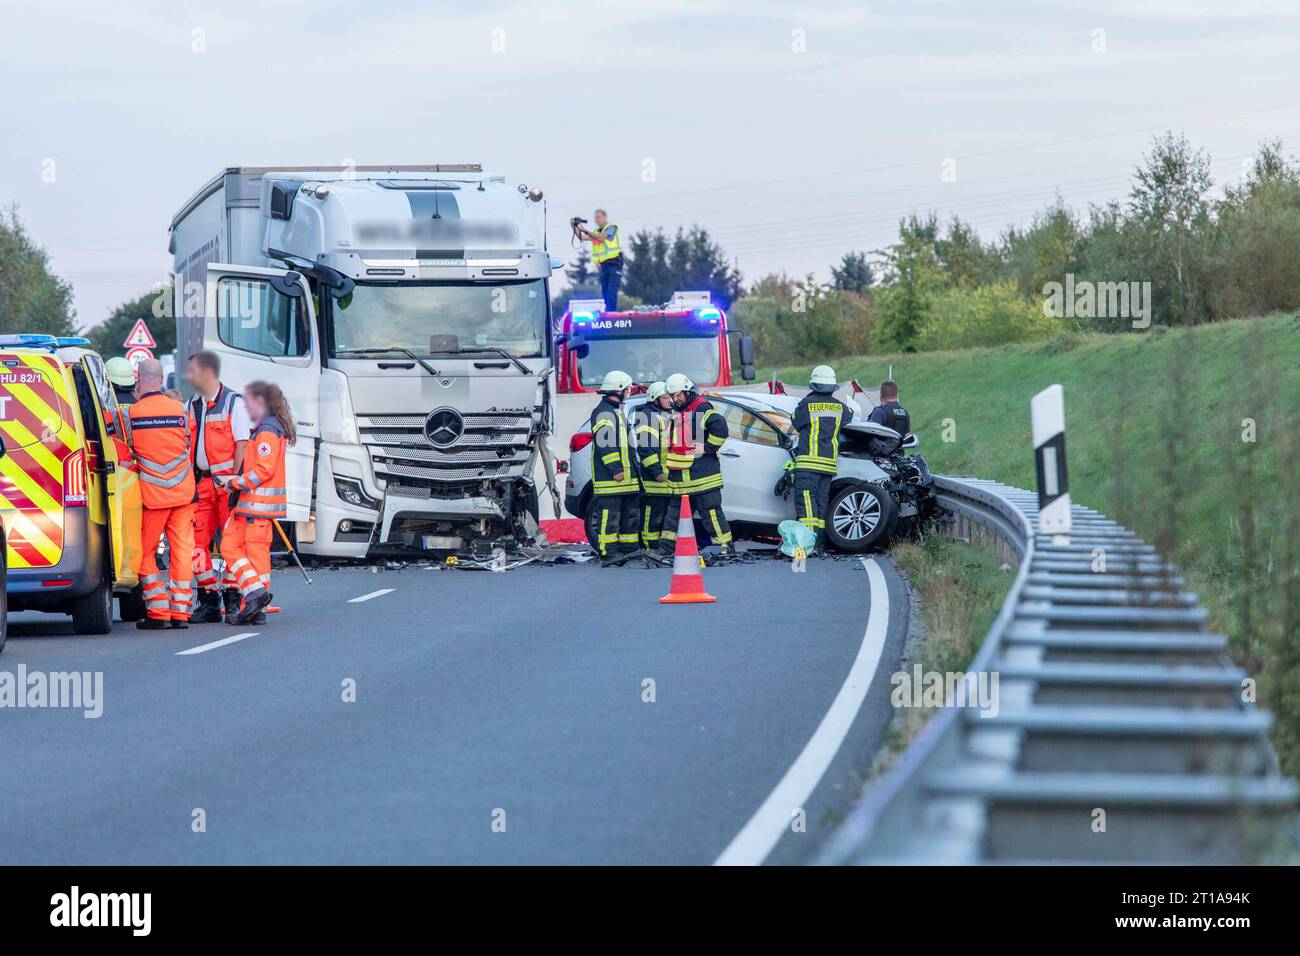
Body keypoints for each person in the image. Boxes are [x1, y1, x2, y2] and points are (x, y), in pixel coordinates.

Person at [216, 381, 293, 624]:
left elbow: (263, 470)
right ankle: (255, 605)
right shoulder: (268, 428)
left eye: (248, 402)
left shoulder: (267, 431)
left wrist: (235, 483)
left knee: (237, 549)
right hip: (251, 507)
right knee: (242, 551)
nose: (245, 407)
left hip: (255, 506)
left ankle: (255, 596)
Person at [126, 359, 196, 630]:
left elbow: (128, 452)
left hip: (153, 497)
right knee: (182, 553)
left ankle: (158, 613)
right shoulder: (180, 409)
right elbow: (188, 444)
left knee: (144, 554)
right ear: (162, 378)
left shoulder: (132, 413)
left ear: (139, 380)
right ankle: (180, 613)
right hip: (183, 494)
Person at [185, 350, 252, 624]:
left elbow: (242, 445)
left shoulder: (233, 403)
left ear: (207, 373)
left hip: (227, 487)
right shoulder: (193, 405)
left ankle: (232, 598)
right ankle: (209, 599)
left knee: (232, 545)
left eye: (192, 371)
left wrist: (236, 482)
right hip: (201, 485)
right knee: (196, 545)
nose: (188, 377)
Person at [662, 372, 733, 553]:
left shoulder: (700, 408)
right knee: (673, 516)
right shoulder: (678, 411)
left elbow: (721, 427)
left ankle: (724, 548)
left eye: (678, 395)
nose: (675, 399)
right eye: (672, 396)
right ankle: (667, 549)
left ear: (687, 391)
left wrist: (707, 448)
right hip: (681, 480)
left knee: (711, 514)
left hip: (703, 479)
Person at [791, 365, 854, 553]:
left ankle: (807, 545)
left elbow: (795, 422)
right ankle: (820, 544)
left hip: (808, 464)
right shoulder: (840, 407)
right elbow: (849, 418)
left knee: (806, 504)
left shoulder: (806, 404)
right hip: (828, 466)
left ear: (813, 383)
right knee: (821, 505)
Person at [588, 370, 641, 565]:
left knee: (630, 517)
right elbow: (605, 444)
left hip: (626, 480)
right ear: (619, 390)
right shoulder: (604, 412)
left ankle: (630, 550)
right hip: (612, 479)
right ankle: (607, 552)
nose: (629, 392)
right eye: (627, 389)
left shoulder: (615, 411)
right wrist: (616, 469)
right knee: (609, 518)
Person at [634, 380, 676, 554]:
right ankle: (649, 547)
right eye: (665, 397)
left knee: (663, 517)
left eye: (670, 397)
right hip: (654, 479)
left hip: (667, 480)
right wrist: (657, 472)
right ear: (655, 398)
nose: (669, 400)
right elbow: (645, 448)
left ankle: (661, 548)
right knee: (652, 517)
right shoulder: (647, 417)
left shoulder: (666, 415)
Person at [573, 209, 623, 312]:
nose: (597, 219)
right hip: (604, 265)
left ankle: (611, 315)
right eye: (596, 218)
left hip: (614, 263)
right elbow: (581, 238)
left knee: (611, 292)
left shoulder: (611, 227)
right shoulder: (596, 232)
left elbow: (601, 238)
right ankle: (609, 312)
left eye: (599, 217)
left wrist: (585, 230)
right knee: (605, 292)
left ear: (605, 217)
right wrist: (575, 227)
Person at [867, 380, 911, 457]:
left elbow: (871, 435)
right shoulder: (905, 413)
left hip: (882, 458)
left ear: (881, 397)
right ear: (896, 395)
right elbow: (907, 436)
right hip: (899, 457)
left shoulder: (879, 411)